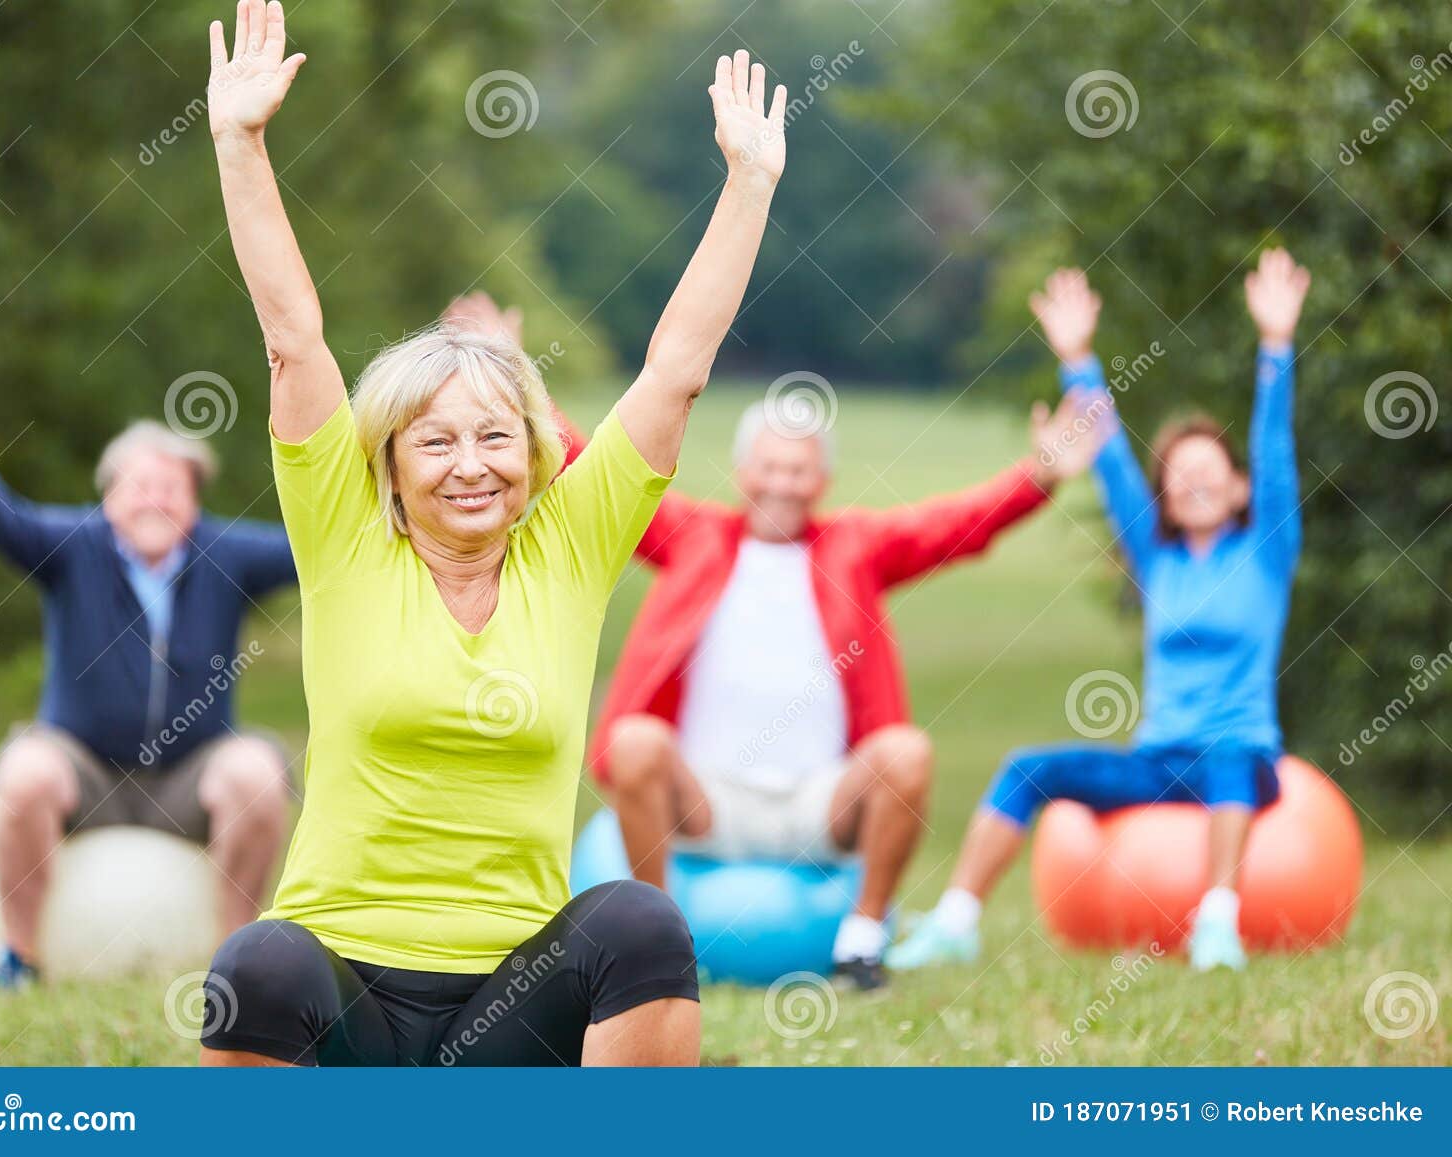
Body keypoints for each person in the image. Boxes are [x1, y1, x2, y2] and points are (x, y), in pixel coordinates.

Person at [197, 0, 788, 1066]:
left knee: (639, 921)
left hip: (508, 1023)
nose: (469, 462)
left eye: (493, 436)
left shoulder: (569, 547)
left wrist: (748, 185)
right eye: (433, 443)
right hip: (349, 1011)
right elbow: (292, 338)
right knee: (257, 961)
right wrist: (240, 144)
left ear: (534, 451)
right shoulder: (345, 535)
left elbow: (677, 371)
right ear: (385, 465)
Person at [440, 287, 1105, 990]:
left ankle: (861, 938)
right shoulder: (692, 536)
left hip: (819, 804)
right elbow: (589, 465)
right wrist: (510, 368)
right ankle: (657, 941)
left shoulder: (858, 548)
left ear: (823, 478)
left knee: (906, 752)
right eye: (770, 466)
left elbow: (955, 525)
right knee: (633, 741)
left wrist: (1039, 476)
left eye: (799, 467)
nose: (783, 481)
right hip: (704, 802)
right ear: (742, 471)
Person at [891, 250, 1310, 973]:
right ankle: (956, 921)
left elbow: (1275, 452)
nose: (1195, 484)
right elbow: (1112, 464)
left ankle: (1216, 923)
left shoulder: (1268, 549)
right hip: (1160, 761)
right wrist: (1077, 358)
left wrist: (1275, 345)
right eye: (1180, 478)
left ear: (1240, 491)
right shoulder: (1158, 557)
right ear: (1167, 497)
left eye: (1210, 473)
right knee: (1028, 768)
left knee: (1231, 755)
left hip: (1242, 763)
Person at [0, 335, 298, 990]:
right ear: (109, 494)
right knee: (25, 771)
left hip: (191, 773)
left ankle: (235, 969)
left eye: (170, 487)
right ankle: (19, 959)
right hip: (84, 768)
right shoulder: (74, 546)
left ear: (195, 498)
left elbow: (316, 544)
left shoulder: (227, 552)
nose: (154, 499)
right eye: (138, 485)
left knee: (258, 772)